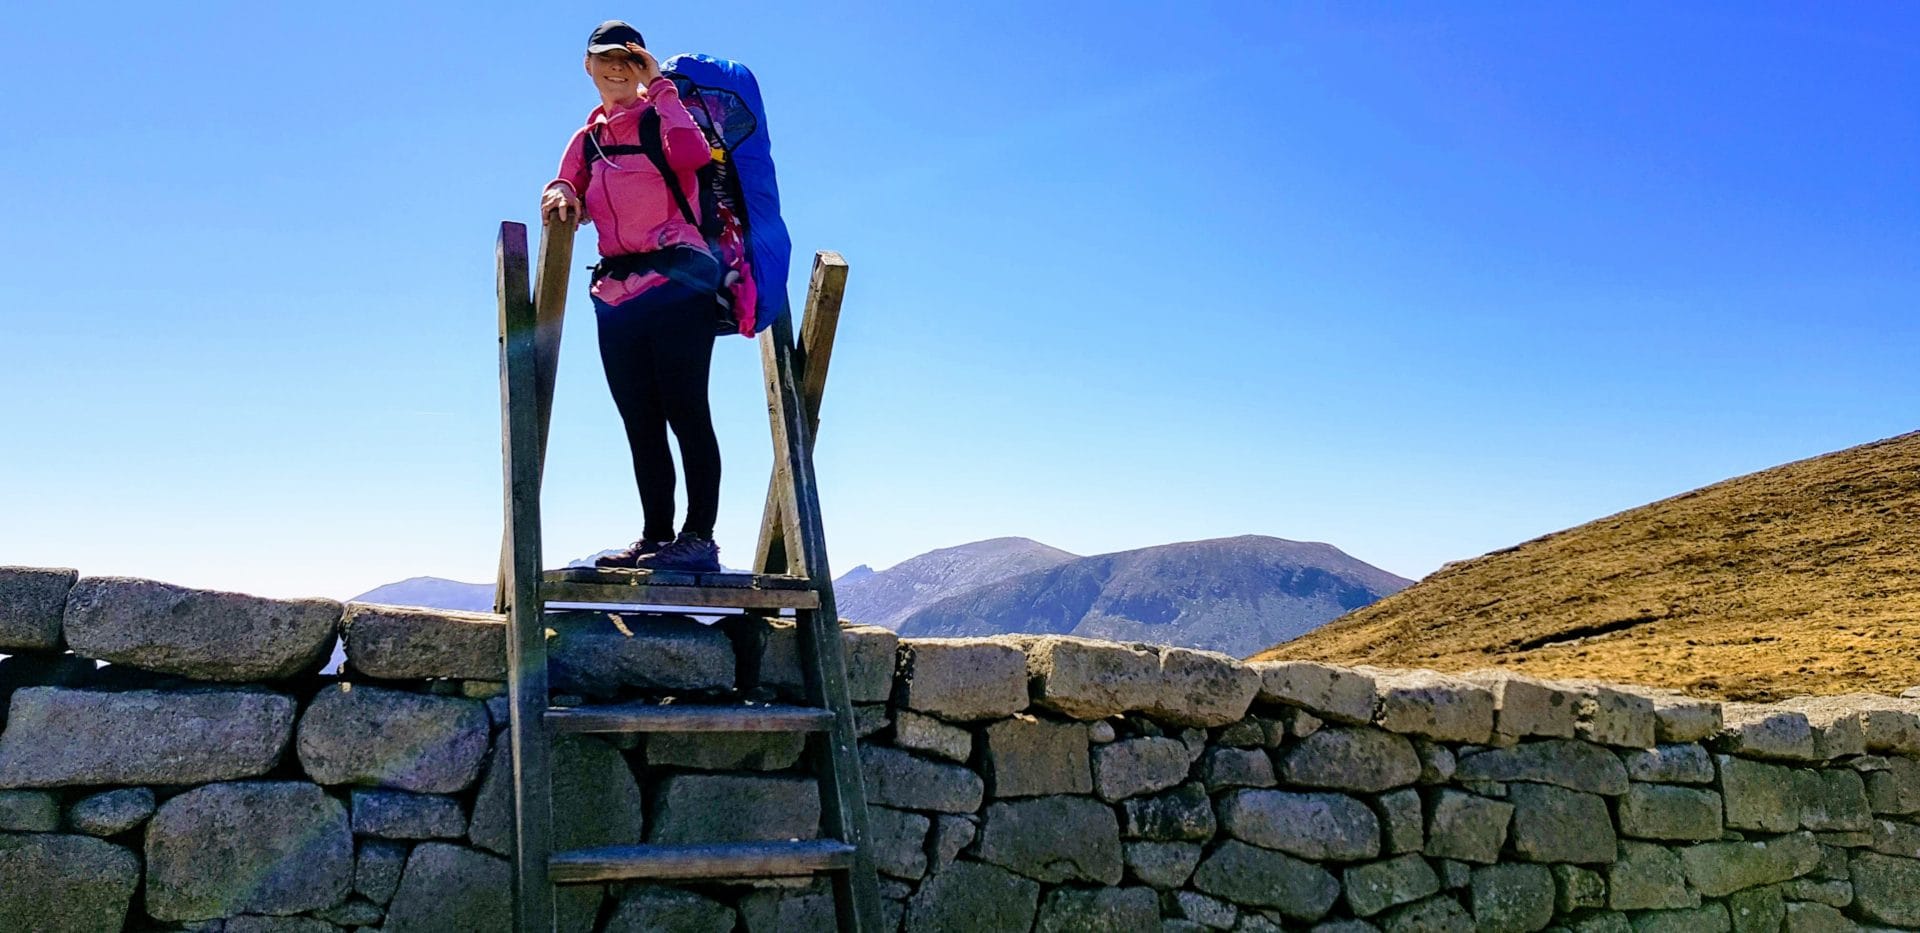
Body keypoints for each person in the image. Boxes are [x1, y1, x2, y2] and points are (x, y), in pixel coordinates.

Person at [542, 20, 724, 573]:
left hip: (679, 283)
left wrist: (662, 89)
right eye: (606, 58)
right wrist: (559, 192)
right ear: (588, 66)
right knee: (639, 418)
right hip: (617, 295)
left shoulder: (665, 117)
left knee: (685, 408)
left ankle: (699, 539)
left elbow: (693, 156)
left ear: (642, 63)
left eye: (628, 58)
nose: (616, 67)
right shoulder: (588, 138)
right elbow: (566, 184)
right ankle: (655, 536)